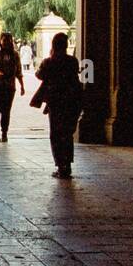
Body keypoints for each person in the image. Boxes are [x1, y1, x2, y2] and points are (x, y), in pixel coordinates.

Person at [31, 33, 83, 178]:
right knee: (67, 134)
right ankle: (67, 165)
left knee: (56, 134)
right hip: (72, 100)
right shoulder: (73, 61)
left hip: (56, 101)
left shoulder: (49, 62)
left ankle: (60, 165)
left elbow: (39, 75)